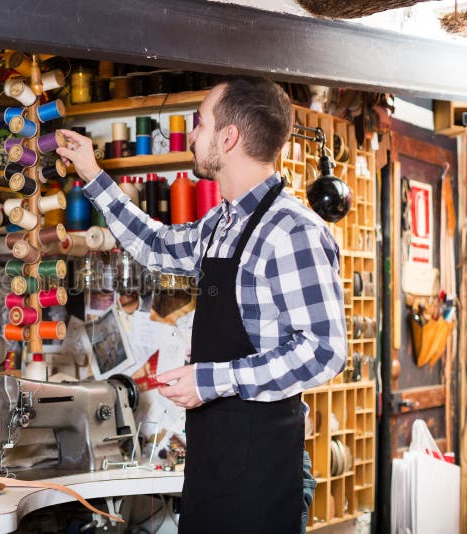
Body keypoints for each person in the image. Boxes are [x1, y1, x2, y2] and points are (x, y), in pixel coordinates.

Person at [57, 76, 346, 534]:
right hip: (212, 459)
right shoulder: (222, 222)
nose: (192, 134)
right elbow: (155, 244)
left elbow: (323, 351)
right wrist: (93, 175)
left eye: (200, 123)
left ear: (228, 138)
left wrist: (212, 380)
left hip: (263, 470)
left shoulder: (294, 230)